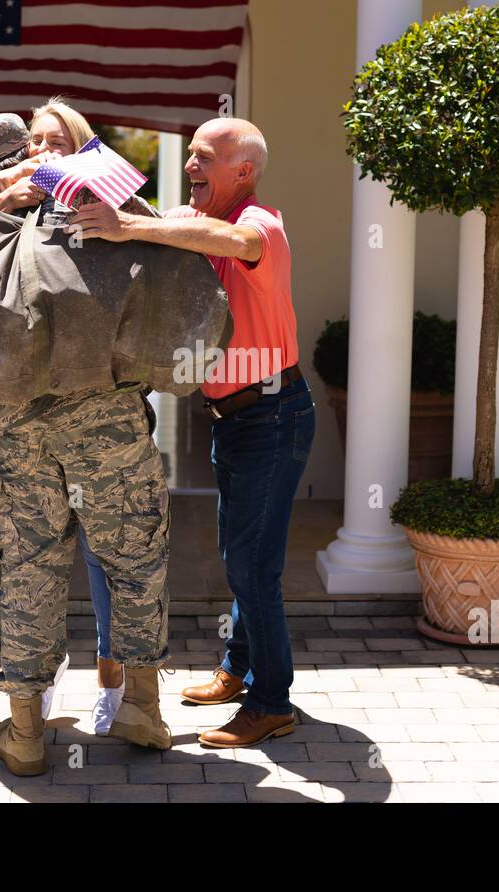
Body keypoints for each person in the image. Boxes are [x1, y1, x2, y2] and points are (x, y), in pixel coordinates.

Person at [66, 117, 314, 748]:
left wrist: (135, 226)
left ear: (244, 171)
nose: (191, 166)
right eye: (191, 156)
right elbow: (164, 222)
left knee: (254, 565)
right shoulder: (202, 224)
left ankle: (272, 701)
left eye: (206, 157)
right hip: (236, 418)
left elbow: (223, 237)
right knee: (241, 552)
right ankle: (237, 670)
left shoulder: (261, 225)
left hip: (272, 413)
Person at [0, 100, 174, 776]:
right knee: (40, 562)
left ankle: (133, 706)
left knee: (122, 554)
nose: (44, 151)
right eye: (34, 142)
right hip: (59, 420)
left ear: (83, 145)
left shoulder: (108, 203)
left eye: (57, 140)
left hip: (56, 415)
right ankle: (28, 729)